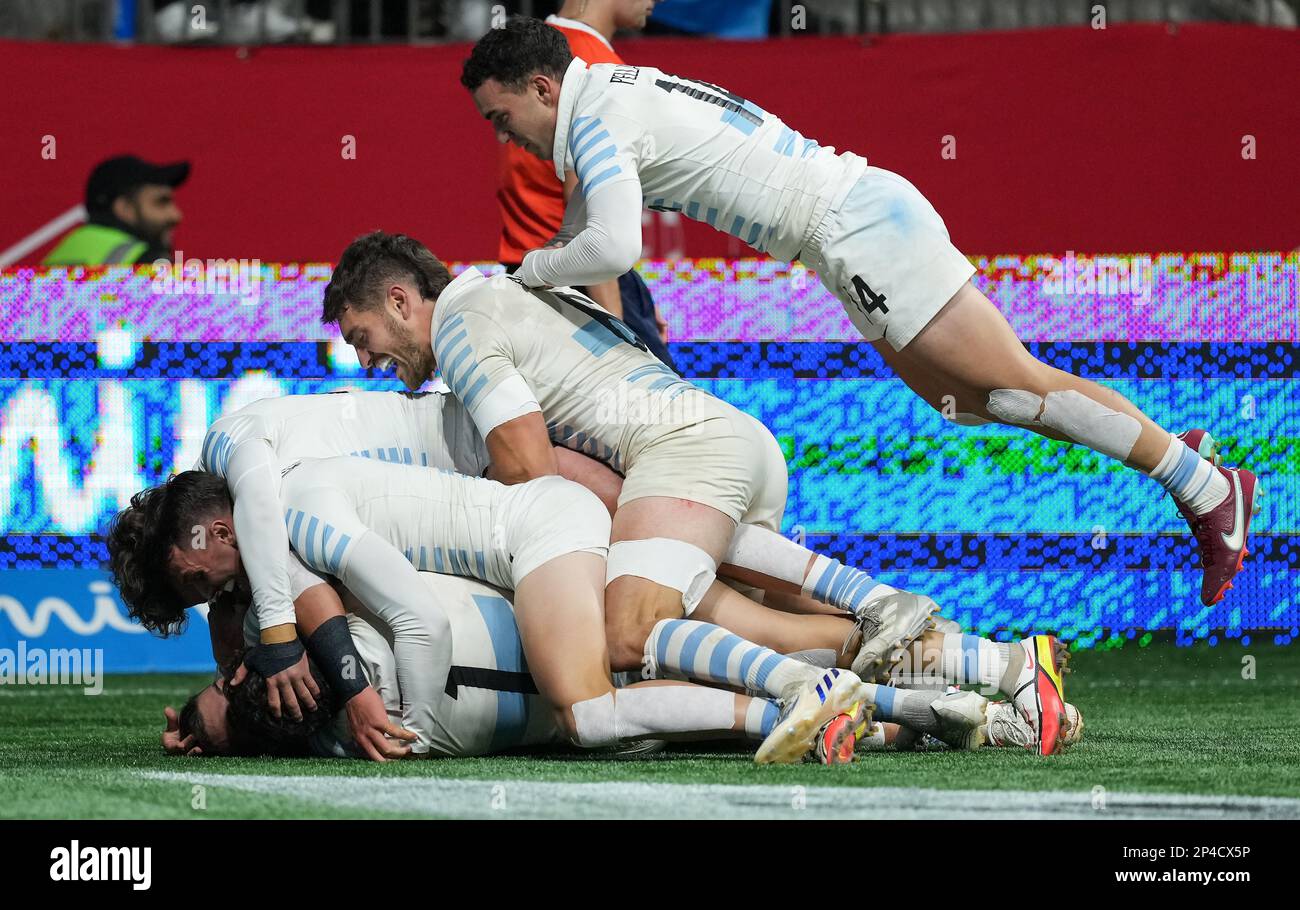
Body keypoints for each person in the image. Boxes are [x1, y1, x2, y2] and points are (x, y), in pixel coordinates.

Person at [459, 16, 1261, 609]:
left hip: (859, 228)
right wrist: (537, 277)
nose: (508, 138)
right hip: (848, 235)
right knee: (987, 403)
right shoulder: (602, 95)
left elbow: (612, 249)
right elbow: (581, 239)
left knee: (1016, 383)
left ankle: (1202, 484)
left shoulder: (594, 118)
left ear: (542, 88)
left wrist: (525, 270)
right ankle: (1190, 470)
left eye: (502, 120)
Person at [322, 232, 1075, 754]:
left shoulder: (459, 321)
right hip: (714, 437)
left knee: (625, 635)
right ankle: (994, 672)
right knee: (750, 628)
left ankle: (931, 649)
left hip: (684, 454)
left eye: (363, 338)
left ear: (398, 299)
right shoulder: (511, 292)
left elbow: (529, 474)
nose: (367, 359)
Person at [493, 1, 673, 368]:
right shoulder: (590, 66)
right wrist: (621, 333)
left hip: (543, 278)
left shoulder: (539, 49)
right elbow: (590, 213)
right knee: (666, 416)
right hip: (577, 282)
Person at [43, 155, 187, 266]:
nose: (176, 215)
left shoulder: (59, 255)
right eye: (161, 202)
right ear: (124, 208)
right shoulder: (146, 263)